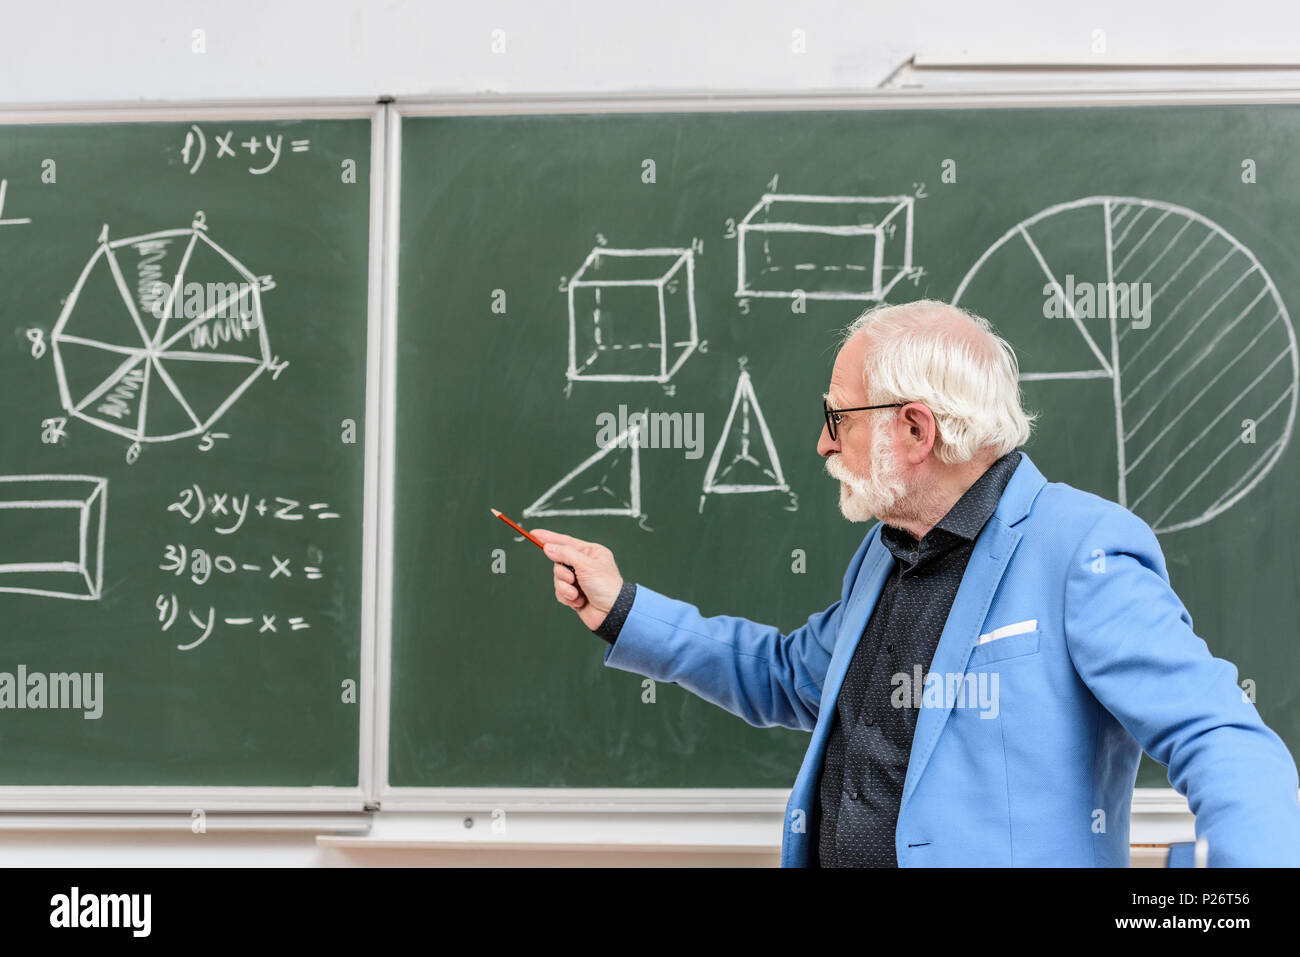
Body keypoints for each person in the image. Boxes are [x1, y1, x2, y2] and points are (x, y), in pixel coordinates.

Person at [533, 298, 1300, 867]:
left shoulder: (1080, 550)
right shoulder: (884, 553)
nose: (822, 442)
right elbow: (785, 674)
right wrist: (623, 607)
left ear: (915, 428)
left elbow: (1220, 736)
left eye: (839, 419)